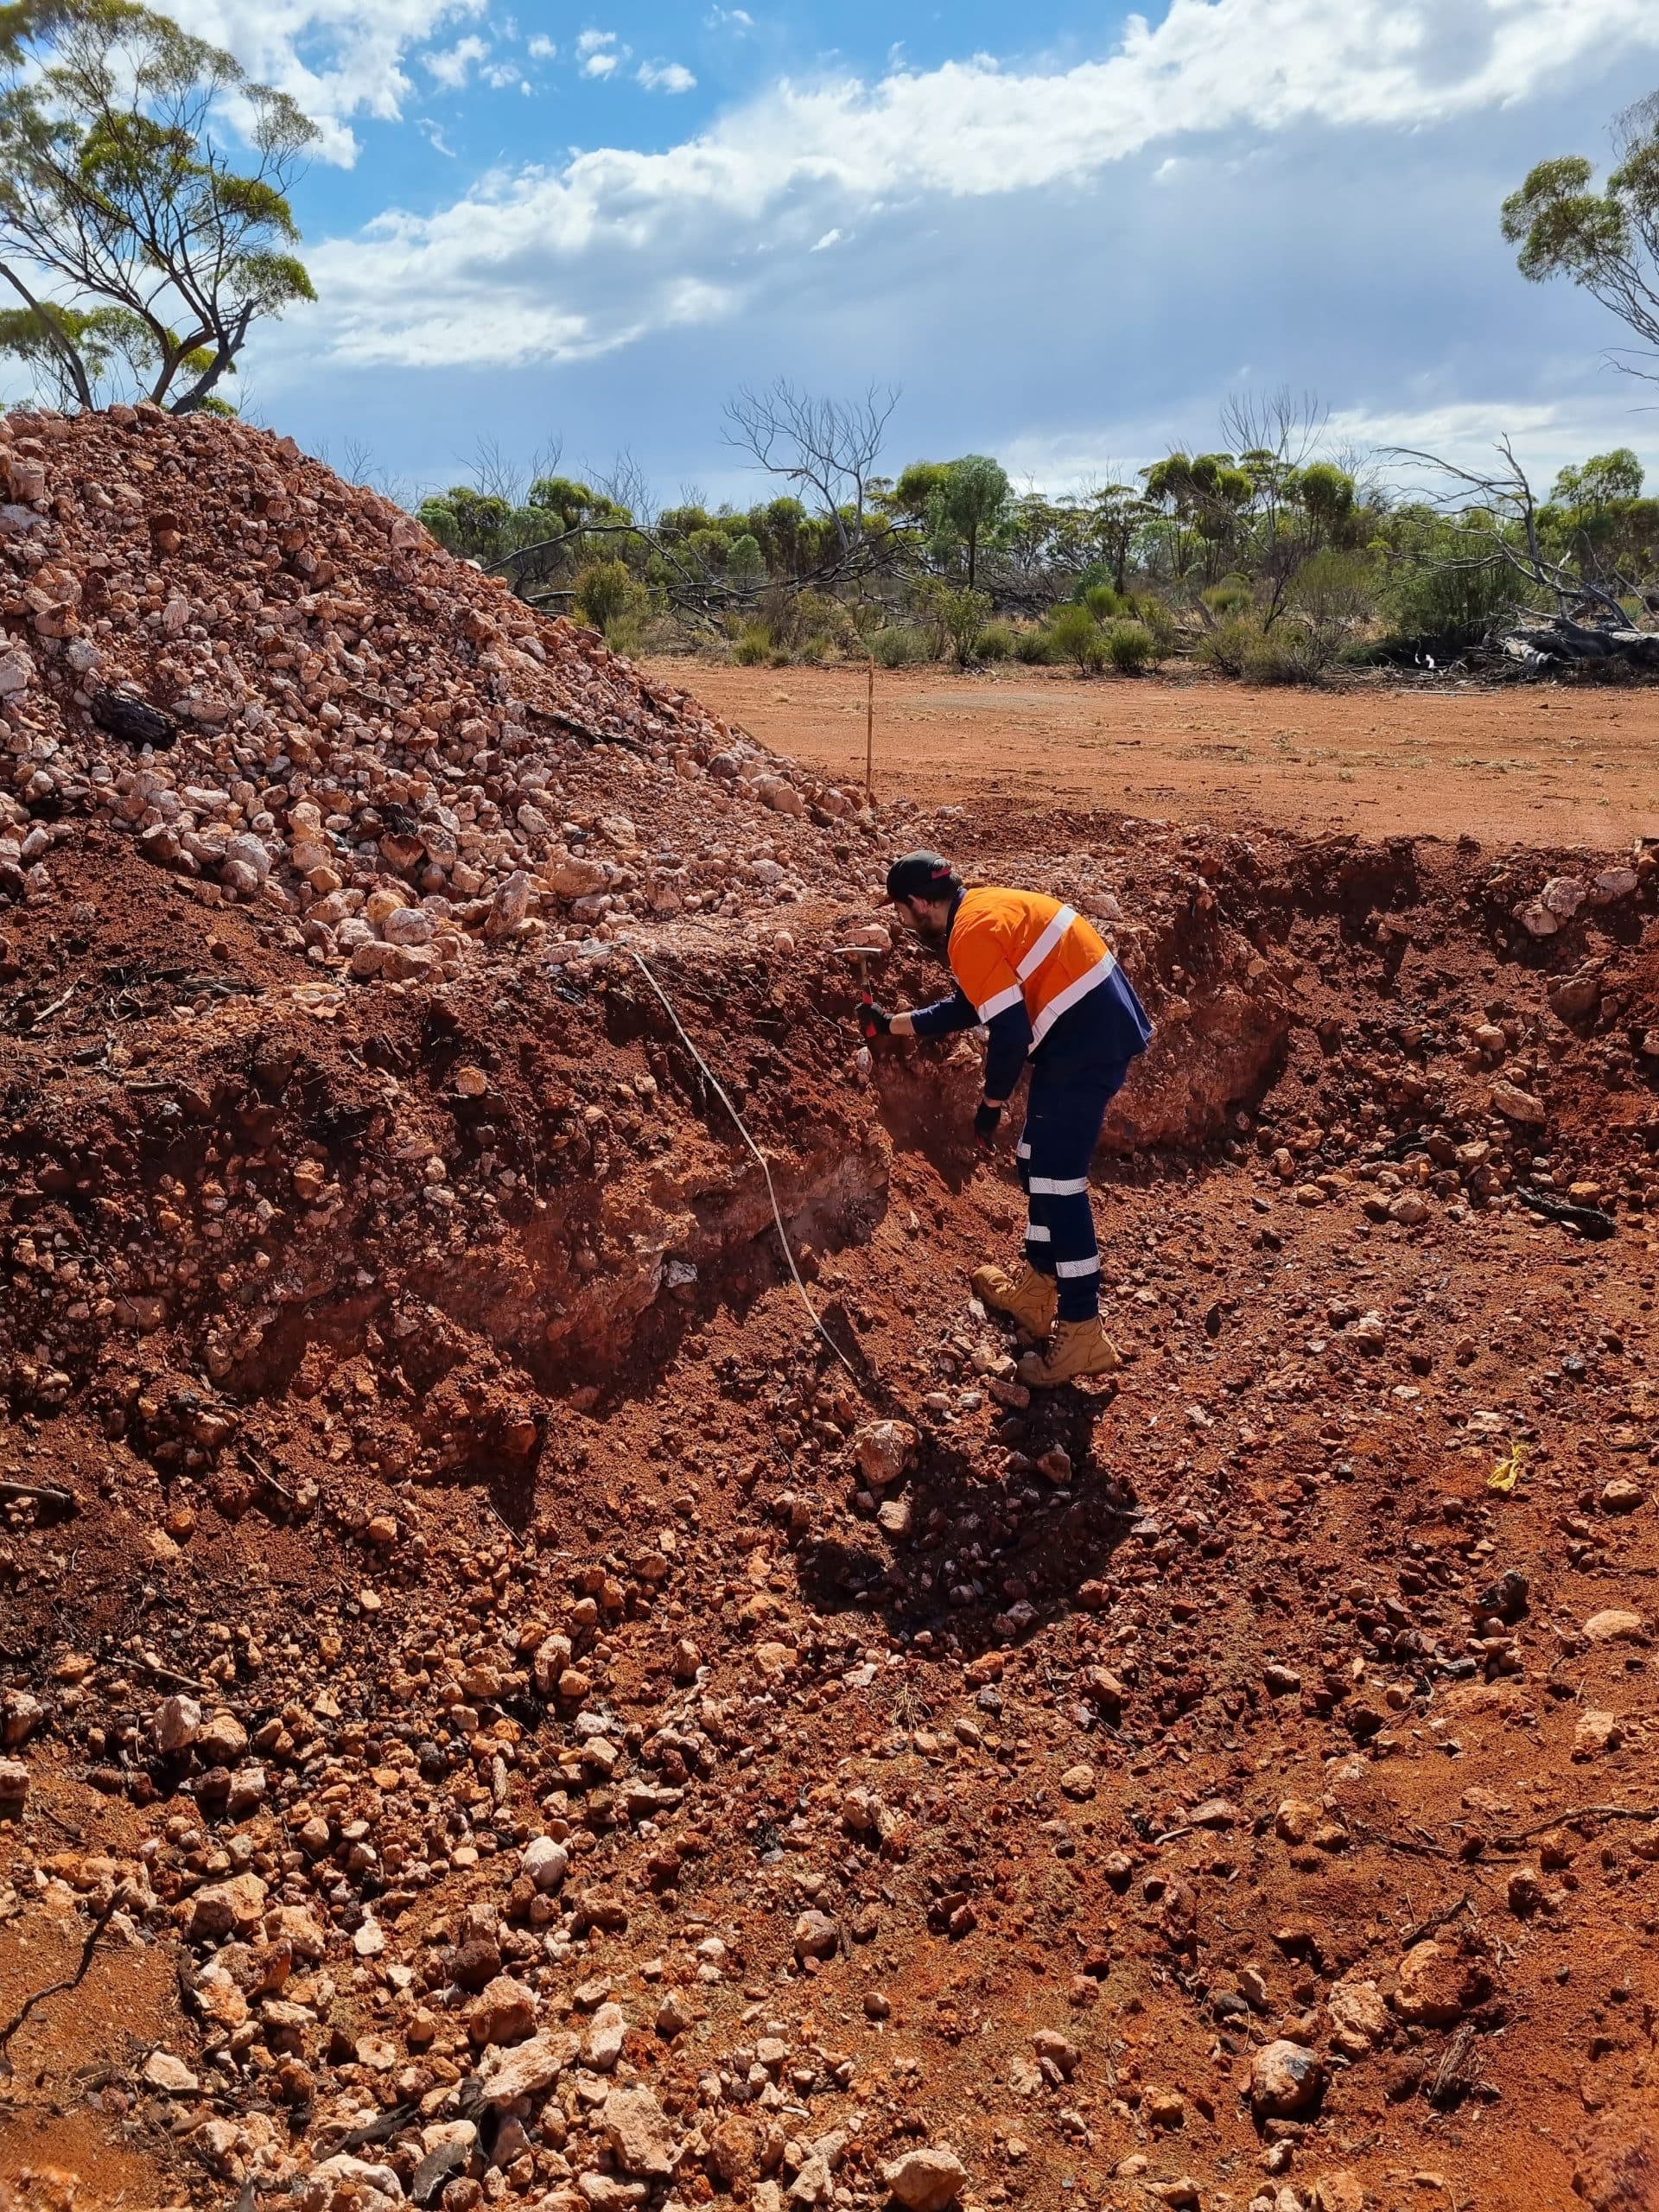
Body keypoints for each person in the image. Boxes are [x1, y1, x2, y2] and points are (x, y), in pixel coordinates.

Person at [860, 850, 1152, 1385]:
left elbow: (1011, 1031)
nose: (902, 922)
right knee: (1035, 1157)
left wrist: (990, 1105)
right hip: (1084, 1028)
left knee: (1058, 1182)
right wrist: (892, 1024)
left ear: (921, 903)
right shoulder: (978, 913)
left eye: (901, 910)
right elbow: (974, 1005)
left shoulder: (969, 934)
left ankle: (1084, 1327)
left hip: (1087, 1040)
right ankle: (1038, 1292)